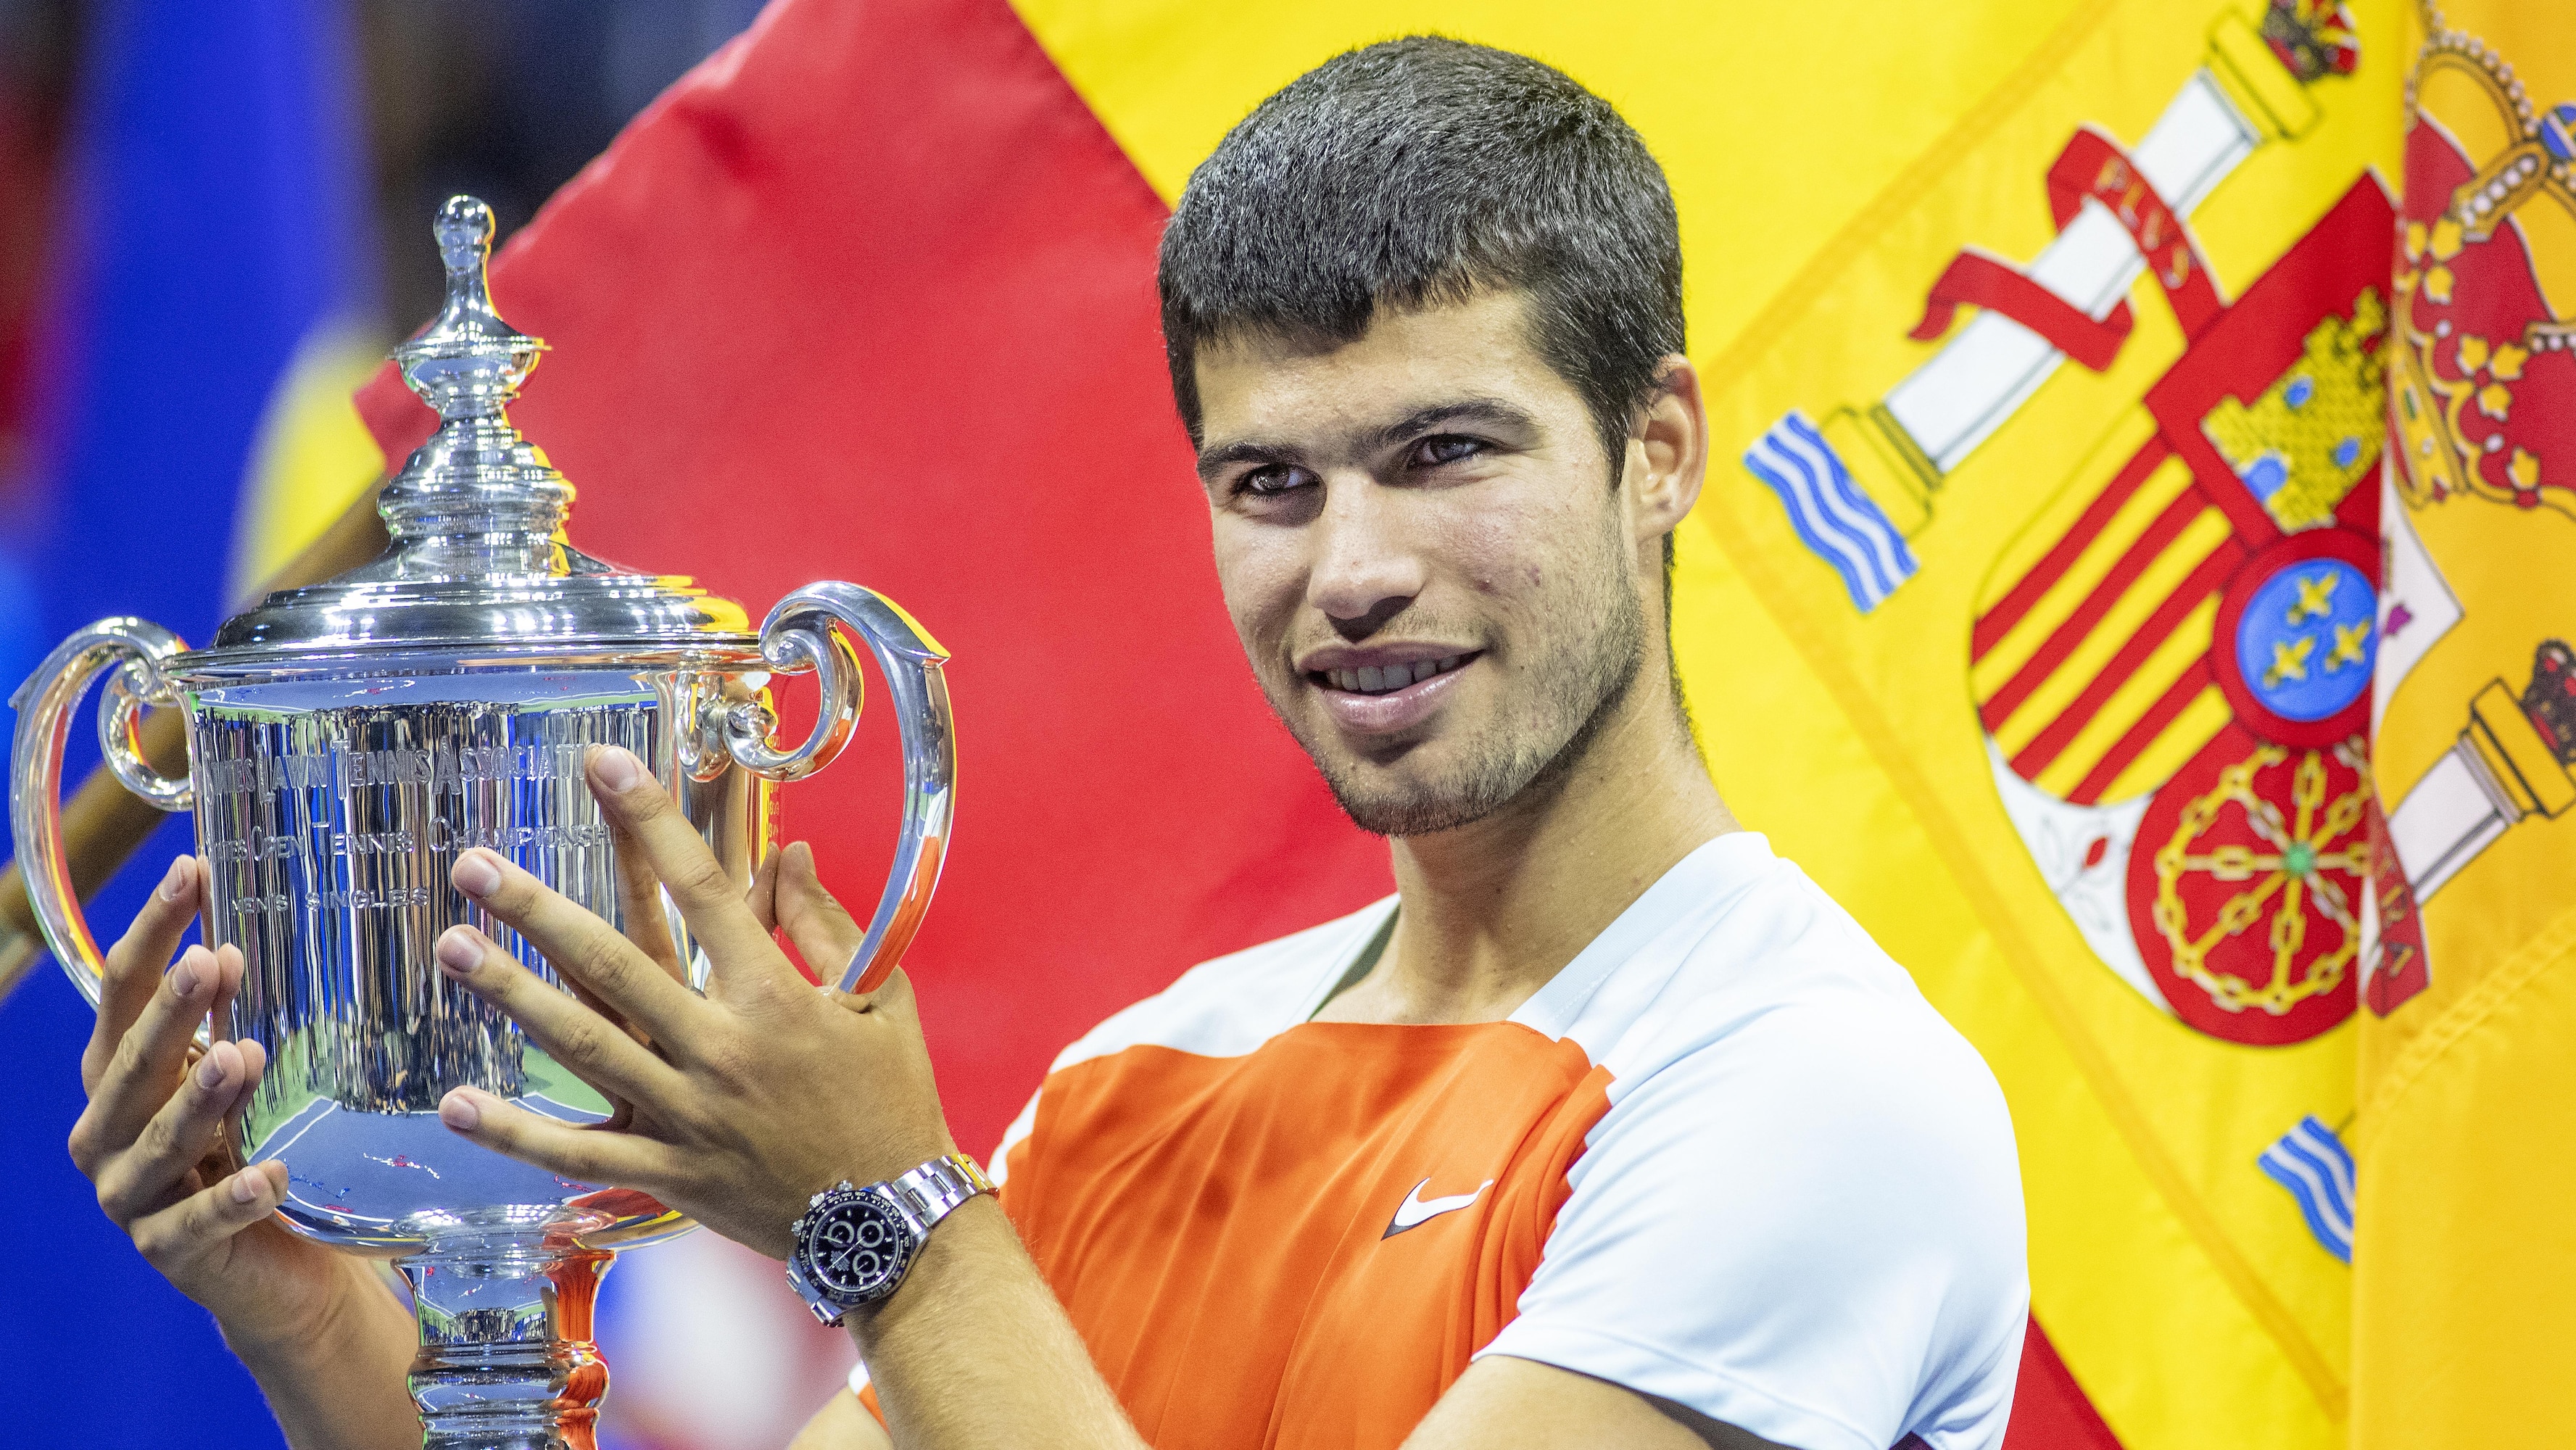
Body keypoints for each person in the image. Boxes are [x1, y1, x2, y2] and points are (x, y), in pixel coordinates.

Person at [67, 37, 2026, 1450]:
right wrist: (312, 1324)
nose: (1349, 567)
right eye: (1269, 483)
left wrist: (890, 1226)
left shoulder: (1815, 1095)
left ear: (1656, 447)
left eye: (1440, 454)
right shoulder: (1136, 1085)